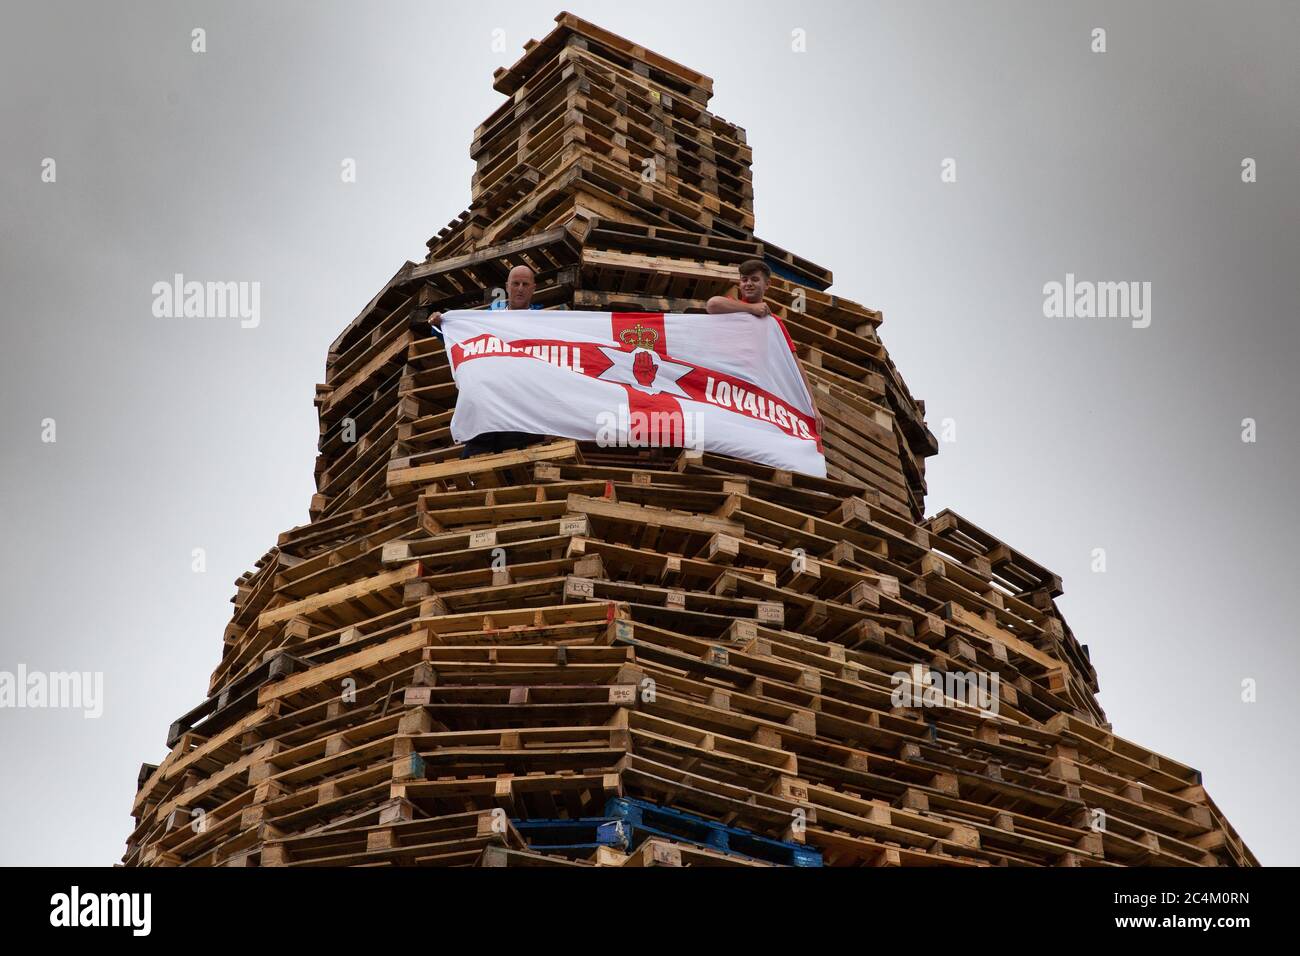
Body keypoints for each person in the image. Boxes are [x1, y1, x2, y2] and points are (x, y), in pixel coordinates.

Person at [707, 259, 824, 438]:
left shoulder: (775, 324)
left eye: (754, 279)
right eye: (744, 279)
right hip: (729, 383)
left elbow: (795, 366)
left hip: (759, 389)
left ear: (767, 284)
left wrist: (813, 407)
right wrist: (751, 308)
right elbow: (713, 305)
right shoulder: (732, 306)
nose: (748, 284)